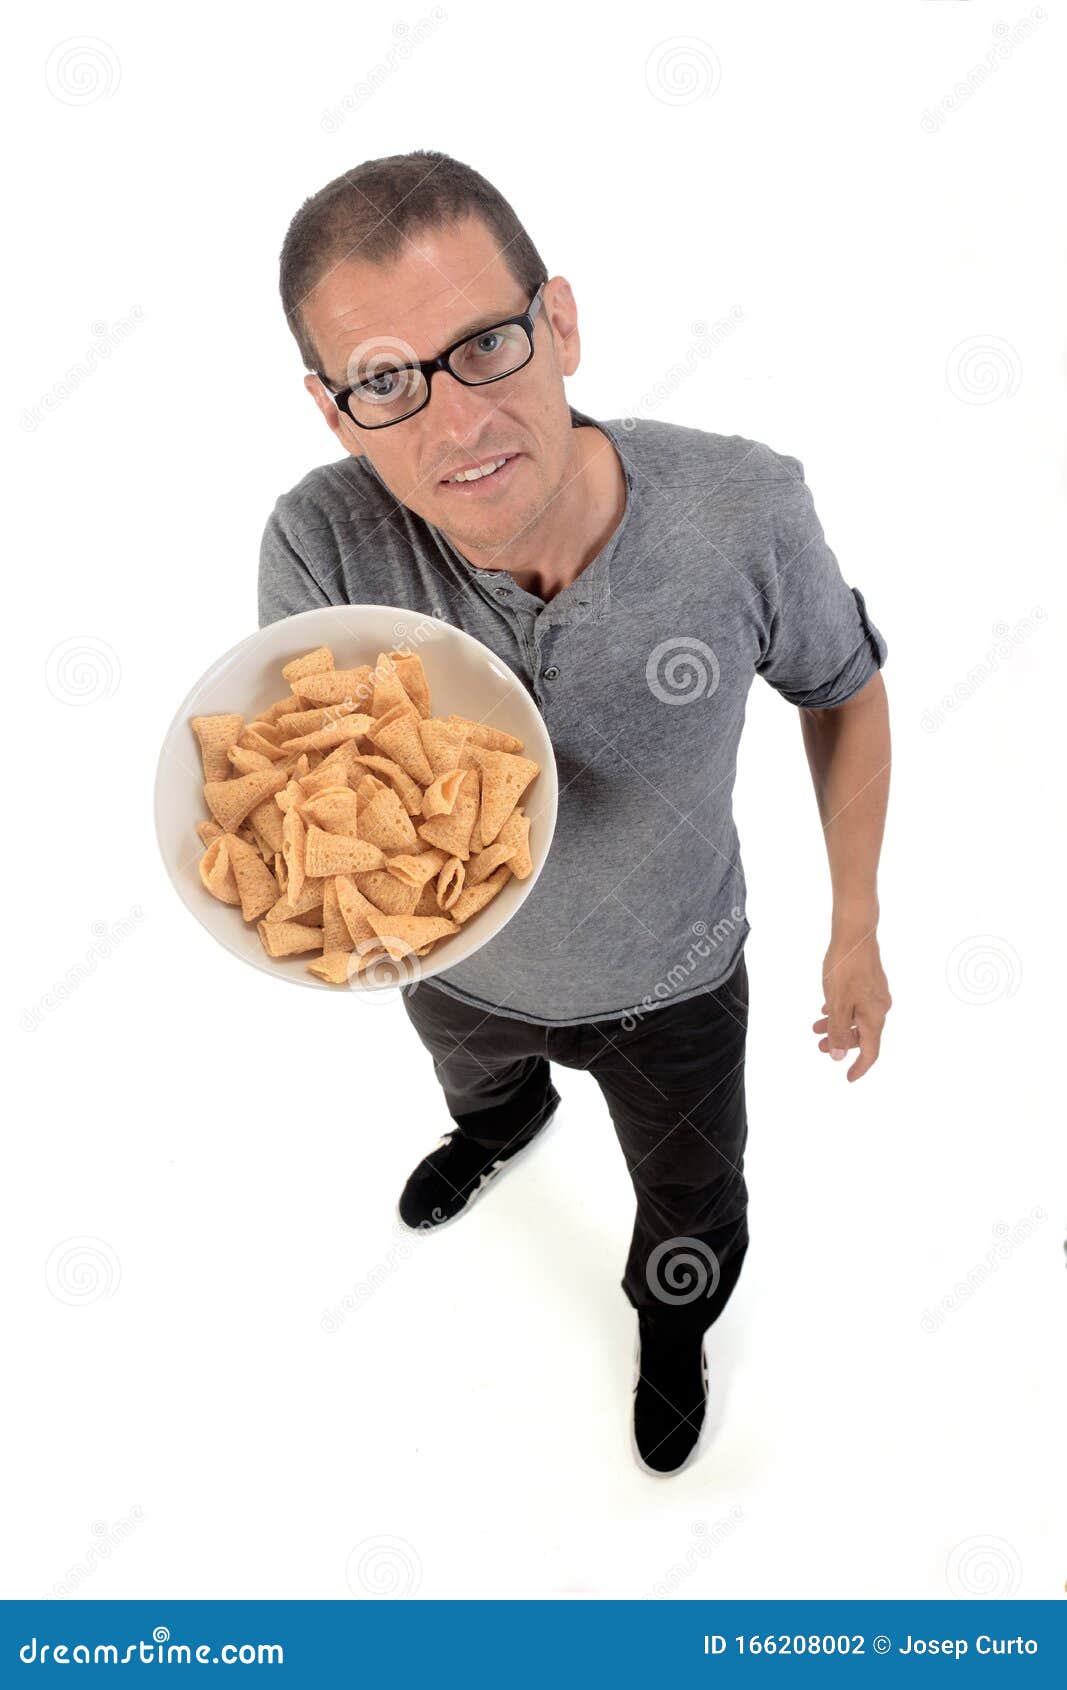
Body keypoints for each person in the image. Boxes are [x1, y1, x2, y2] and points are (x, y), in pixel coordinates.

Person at [258, 150, 893, 1475]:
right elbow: (318, 781)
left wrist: (856, 923)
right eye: (386, 381)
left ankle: (674, 1322)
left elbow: (841, 690)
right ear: (335, 411)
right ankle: (500, 1126)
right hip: (454, 972)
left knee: (689, 1204)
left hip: (675, 983)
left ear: (560, 322)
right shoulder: (322, 544)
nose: (455, 425)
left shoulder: (743, 511)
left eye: (485, 344)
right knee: (477, 1081)